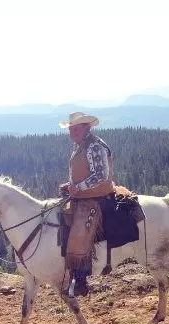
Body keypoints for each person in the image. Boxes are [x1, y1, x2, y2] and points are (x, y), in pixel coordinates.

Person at [59, 112, 116, 297]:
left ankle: (81, 279)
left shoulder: (95, 146)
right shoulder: (81, 146)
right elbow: (81, 172)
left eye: (76, 128)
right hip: (82, 195)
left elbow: (101, 175)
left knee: (81, 227)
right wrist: (71, 186)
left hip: (95, 197)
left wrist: (78, 187)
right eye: (70, 129)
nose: (72, 132)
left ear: (87, 128)